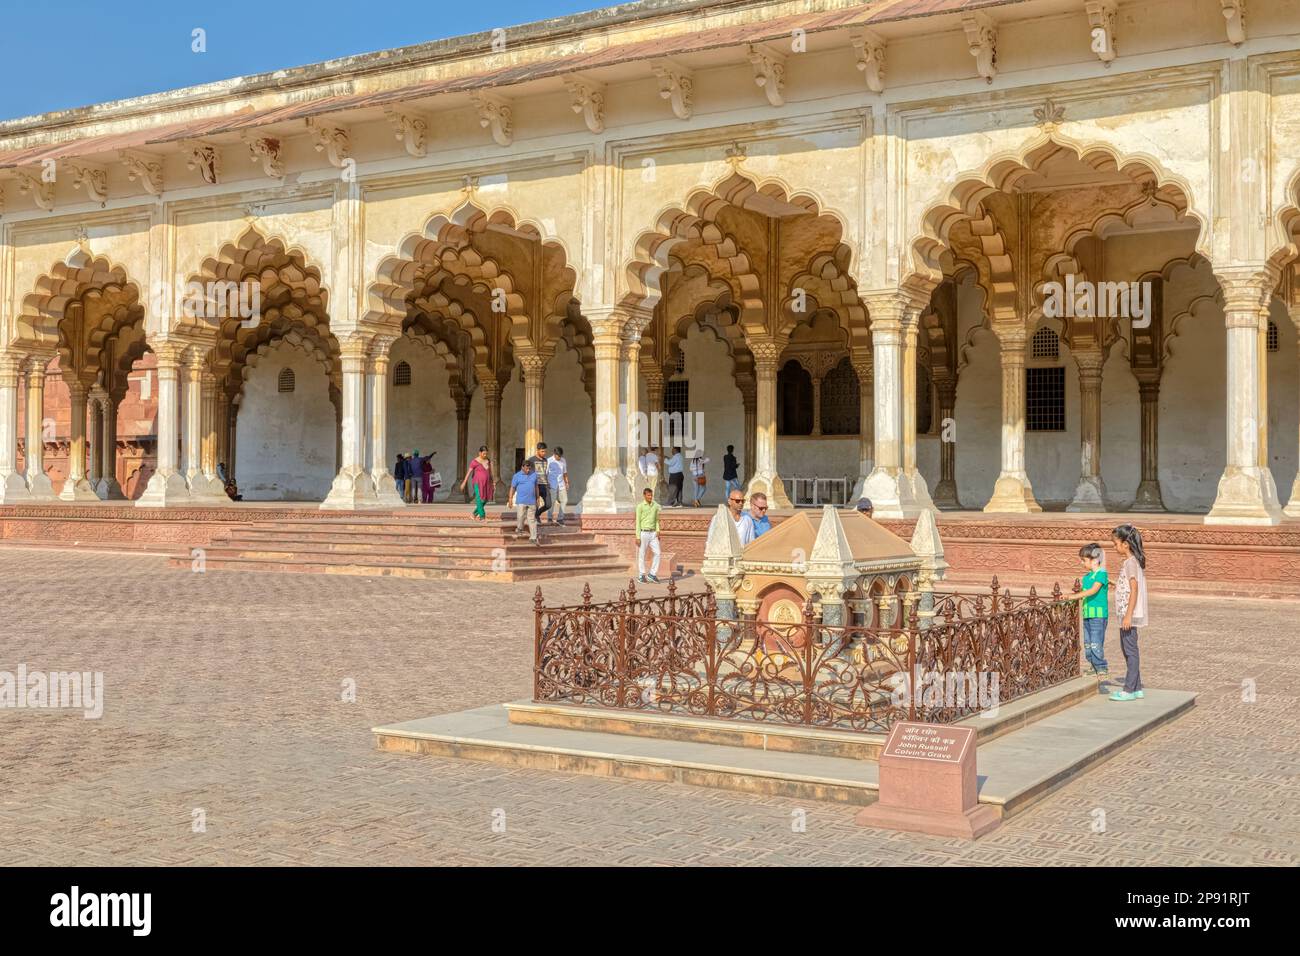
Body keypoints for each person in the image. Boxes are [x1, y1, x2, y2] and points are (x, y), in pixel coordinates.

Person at [1110, 524, 1148, 701]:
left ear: (1126, 544)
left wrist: (1128, 616)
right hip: (1128, 614)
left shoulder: (1130, 563)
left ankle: (1129, 689)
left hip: (1128, 616)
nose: (1114, 546)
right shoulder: (1132, 562)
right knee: (1129, 650)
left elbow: (1134, 589)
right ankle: (1137, 686)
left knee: (1130, 651)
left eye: (1115, 543)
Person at [1069, 543, 1110, 676]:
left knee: (1096, 642)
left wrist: (1074, 596)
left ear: (1094, 560)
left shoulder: (1102, 574)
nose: (1082, 563)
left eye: (1084, 560)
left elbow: (1093, 591)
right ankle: (1093, 666)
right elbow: (1084, 592)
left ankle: (1101, 667)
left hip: (1098, 615)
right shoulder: (1087, 577)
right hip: (1087, 614)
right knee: (1088, 643)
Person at [508, 458, 541, 545]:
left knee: (532, 519)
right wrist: (510, 499)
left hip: (532, 501)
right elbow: (513, 488)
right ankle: (519, 528)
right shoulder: (516, 476)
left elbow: (536, 487)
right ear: (522, 467)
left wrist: (538, 498)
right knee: (520, 516)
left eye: (529, 468)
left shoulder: (534, 475)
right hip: (521, 501)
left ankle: (533, 537)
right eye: (526, 468)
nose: (528, 470)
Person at [635, 487, 662, 584]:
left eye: (651, 495)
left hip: (653, 533)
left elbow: (656, 520)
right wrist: (637, 536)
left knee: (658, 553)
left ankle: (652, 574)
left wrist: (658, 530)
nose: (650, 497)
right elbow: (637, 522)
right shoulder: (640, 506)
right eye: (648, 495)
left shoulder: (655, 506)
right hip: (643, 533)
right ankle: (641, 575)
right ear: (644, 495)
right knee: (642, 554)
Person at [460, 445, 493, 522]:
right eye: (483, 454)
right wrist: (464, 482)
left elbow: (490, 472)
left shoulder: (488, 460)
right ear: (479, 453)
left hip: (487, 483)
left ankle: (474, 514)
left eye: (486, 454)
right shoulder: (474, 462)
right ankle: (482, 517)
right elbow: (469, 473)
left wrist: (493, 481)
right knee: (479, 499)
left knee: (485, 499)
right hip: (477, 483)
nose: (485, 455)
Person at [526, 442, 552, 525]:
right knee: (535, 504)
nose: (544, 453)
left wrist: (548, 482)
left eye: (545, 451)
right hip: (535, 485)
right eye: (542, 451)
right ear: (537, 450)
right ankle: (535, 518)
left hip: (544, 484)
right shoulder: (531, 460)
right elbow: (526, 472)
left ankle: (537, 514)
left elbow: (545, 472)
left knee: (548, 504)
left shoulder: (545, 460)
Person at [547, 447, 570, 525]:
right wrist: (547, 483)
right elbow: (545, 473)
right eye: (558, 456)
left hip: (561, 484)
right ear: (554, 454)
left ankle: (560, 518)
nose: (559, 457)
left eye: (560, 456)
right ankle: (549, 517)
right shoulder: (549, 461)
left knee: (565, 500)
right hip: (552, 484)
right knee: (552, 501)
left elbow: (565, 473)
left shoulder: (563, 460)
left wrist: (567, 483)